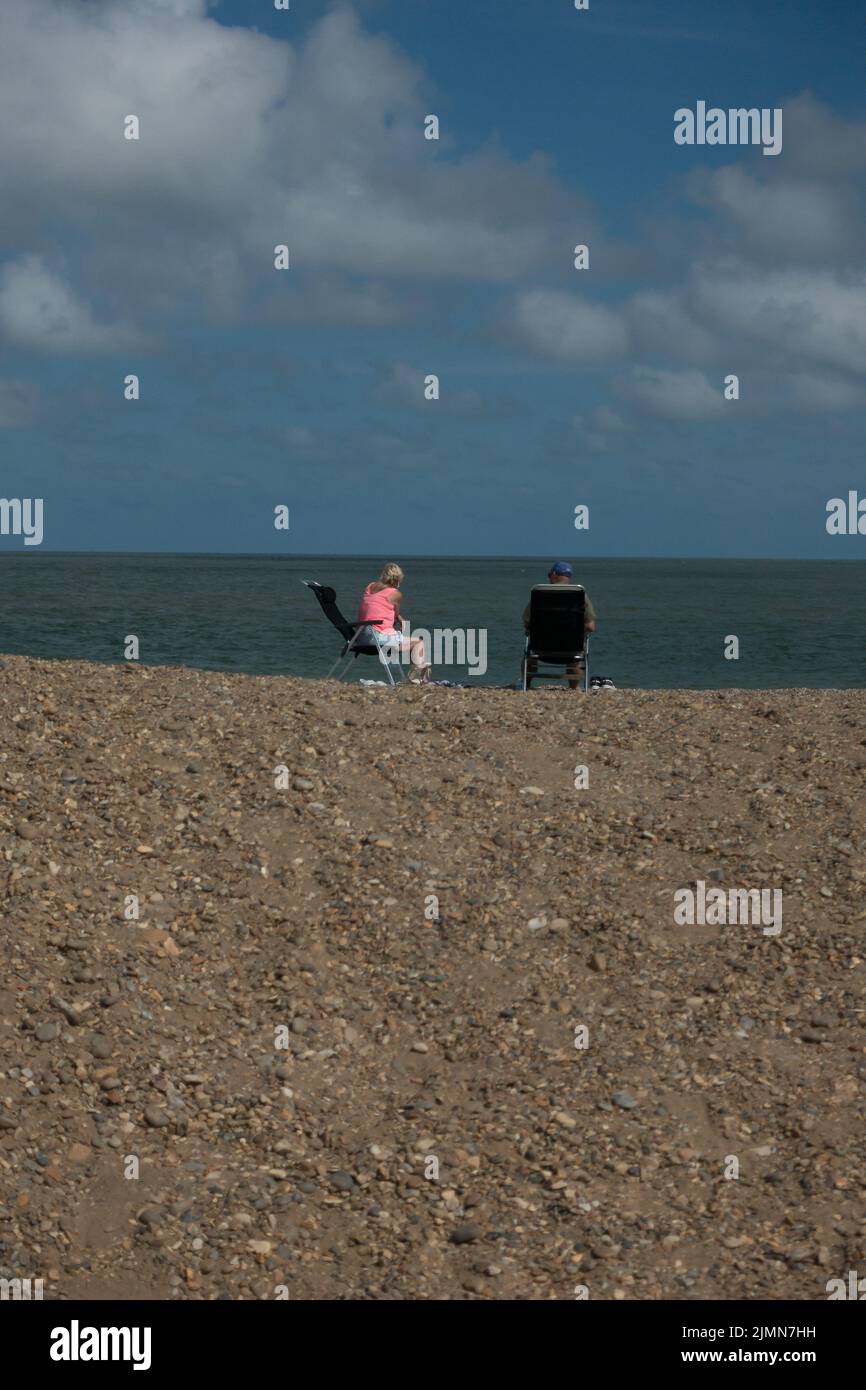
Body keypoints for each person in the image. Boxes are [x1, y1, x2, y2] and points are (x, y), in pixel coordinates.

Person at [522, 561, 596, 690]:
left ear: (554, 574)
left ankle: (526, 685)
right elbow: (590, 627)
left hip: (540, 647)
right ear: (568, 577)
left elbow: (526, 622)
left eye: (549, 574)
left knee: (530, 644)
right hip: (571, 648)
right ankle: (574, 688)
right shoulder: (579, 595)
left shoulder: (540, 593)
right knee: (576, 647)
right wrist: (573, 630)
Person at [358, 563, 431, 683]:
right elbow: (395, 612)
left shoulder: (370, 586)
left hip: (362, 636)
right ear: (398, 579)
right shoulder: (395, 594)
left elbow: (380, 607)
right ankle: (416, 677)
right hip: (378, 638)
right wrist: (401, 620)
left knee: (404, 643)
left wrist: (398, 618)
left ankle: (417, 672)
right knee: (418, 642)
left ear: (384, 575)